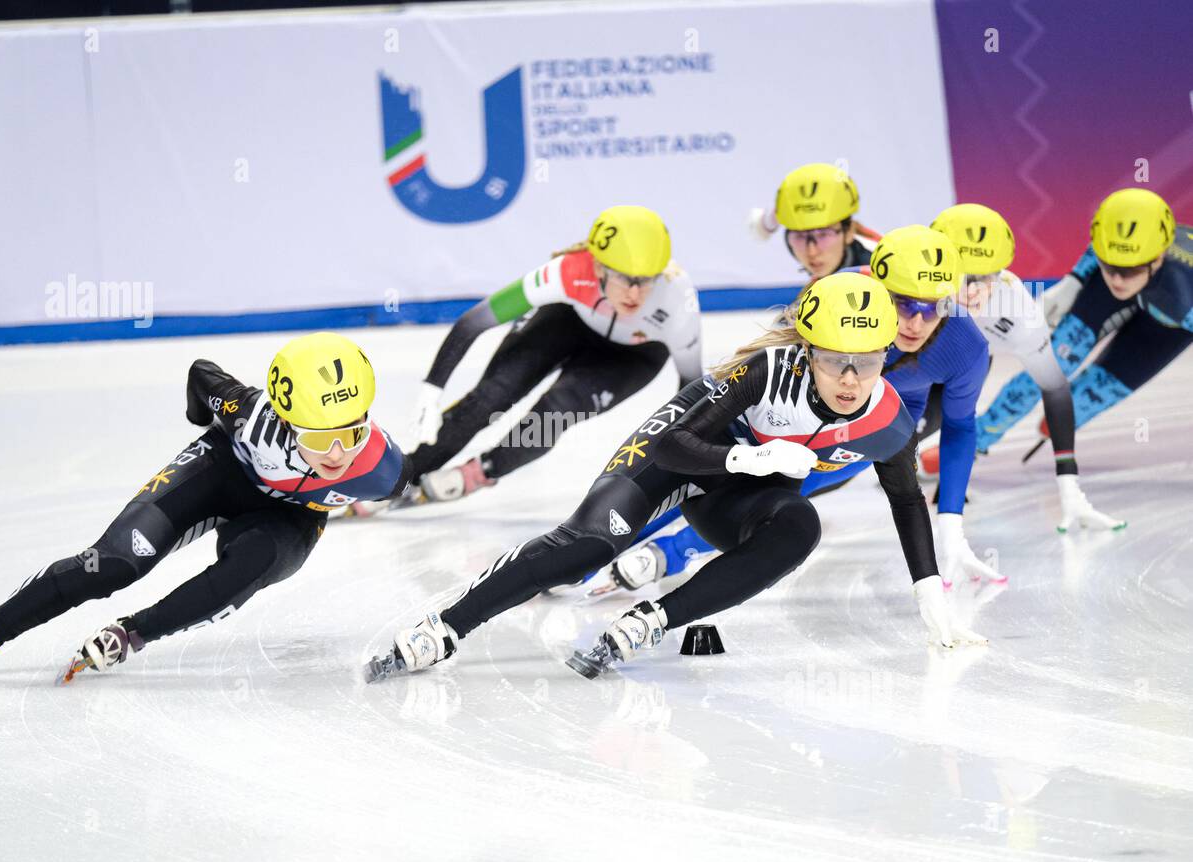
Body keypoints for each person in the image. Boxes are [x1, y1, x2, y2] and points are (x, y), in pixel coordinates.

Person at [367, 271, 981, 684]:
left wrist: (930, 594)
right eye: (833, 362)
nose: (850, 379)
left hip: (734, 499)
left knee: (800, 524)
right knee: (582, 551)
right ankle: (445, 628)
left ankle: (652, 620)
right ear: (806, 352)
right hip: (683, 455)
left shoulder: (888, 420)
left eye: (867, 363)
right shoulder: (768, 372)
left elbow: (905, 500)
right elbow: (674, 443)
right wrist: (749, 458)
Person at [0, 332, 410, 685]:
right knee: (113, 564)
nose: (338, 453)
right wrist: (205, 419)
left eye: (351, 431)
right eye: (319, 437)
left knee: (253, 564)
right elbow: (202, 375)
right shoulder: (249, 416)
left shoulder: (381, 468)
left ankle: (134, 631)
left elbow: (400, 477)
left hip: (288, 518)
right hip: (223, 472)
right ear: (285, 419)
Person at [604, 226, 1005, 592]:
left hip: (888, 412)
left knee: (796, 483)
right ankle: (600, 544)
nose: (916, 323)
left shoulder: (968, 348)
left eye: (932, 307)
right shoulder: (838, 293)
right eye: (903, 304)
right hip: (815, 403)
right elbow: (777, 356)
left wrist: (951, 527)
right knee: (710, 467)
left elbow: (959, 429)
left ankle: (668, 555)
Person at [391, 205, 702, 508]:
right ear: (597, 268)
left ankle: (481, 471)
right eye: (624, 278)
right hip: (565, 322)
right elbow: (474, 322)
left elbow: (691, 386)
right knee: (490, 398)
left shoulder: (676, 297)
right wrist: (431, 391)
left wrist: (679, 455)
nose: (635, 293)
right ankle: (405, 474)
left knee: (557, 410)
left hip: (633, 356)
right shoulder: (568, 271)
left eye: (646, 280)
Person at [921, 203, 1123, 531]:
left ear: (1000, 274)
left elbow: (1055, 389)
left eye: (984, 278)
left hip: (967, 357)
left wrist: (1069, 485)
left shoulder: (1018, 313)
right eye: (962, 277)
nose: (972, 291)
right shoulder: (912, 285)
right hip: (917, 350)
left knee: (925, 424)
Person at [975, 187, 1190, 458]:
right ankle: (975, 439)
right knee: (1047, 368)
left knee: (1096, 393)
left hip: (1172, 324)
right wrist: (1074, 280)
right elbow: (1101, 248)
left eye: (1130, 270)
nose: (1118, 280)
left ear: (1158, 258)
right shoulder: (1116, 247)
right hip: (1111, 298)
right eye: (1109, 264)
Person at [749, 162, 879, 278]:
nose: (812, 252)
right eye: (799, 236)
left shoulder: (881, 273)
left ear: (850, 231)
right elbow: (759, 228)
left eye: (823, 234)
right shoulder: (836, 271)